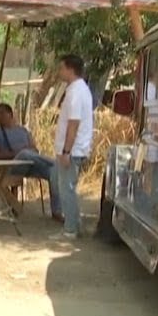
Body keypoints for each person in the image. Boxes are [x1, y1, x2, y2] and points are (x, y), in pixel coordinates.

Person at [0, 103, 63, 223]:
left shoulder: (23, 131)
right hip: (10, 166)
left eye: (1, 113)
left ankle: (57, 211)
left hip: (30, 164)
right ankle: (55, 162)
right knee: (25, 153)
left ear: (10, 114)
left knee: (53, 172)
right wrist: (19, 152)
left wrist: (27, 151)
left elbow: (35, 150)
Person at [52, 54, 95, 240]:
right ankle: (75, 224)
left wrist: (66, 151)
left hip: (72, 149)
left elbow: (74, 123)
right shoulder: (78, 90)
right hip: (74, 148)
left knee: (66, 188)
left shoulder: (76, 92)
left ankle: (70, 229)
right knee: (66, 186)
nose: (59, 71)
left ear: (70, 69)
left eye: (61, 68)